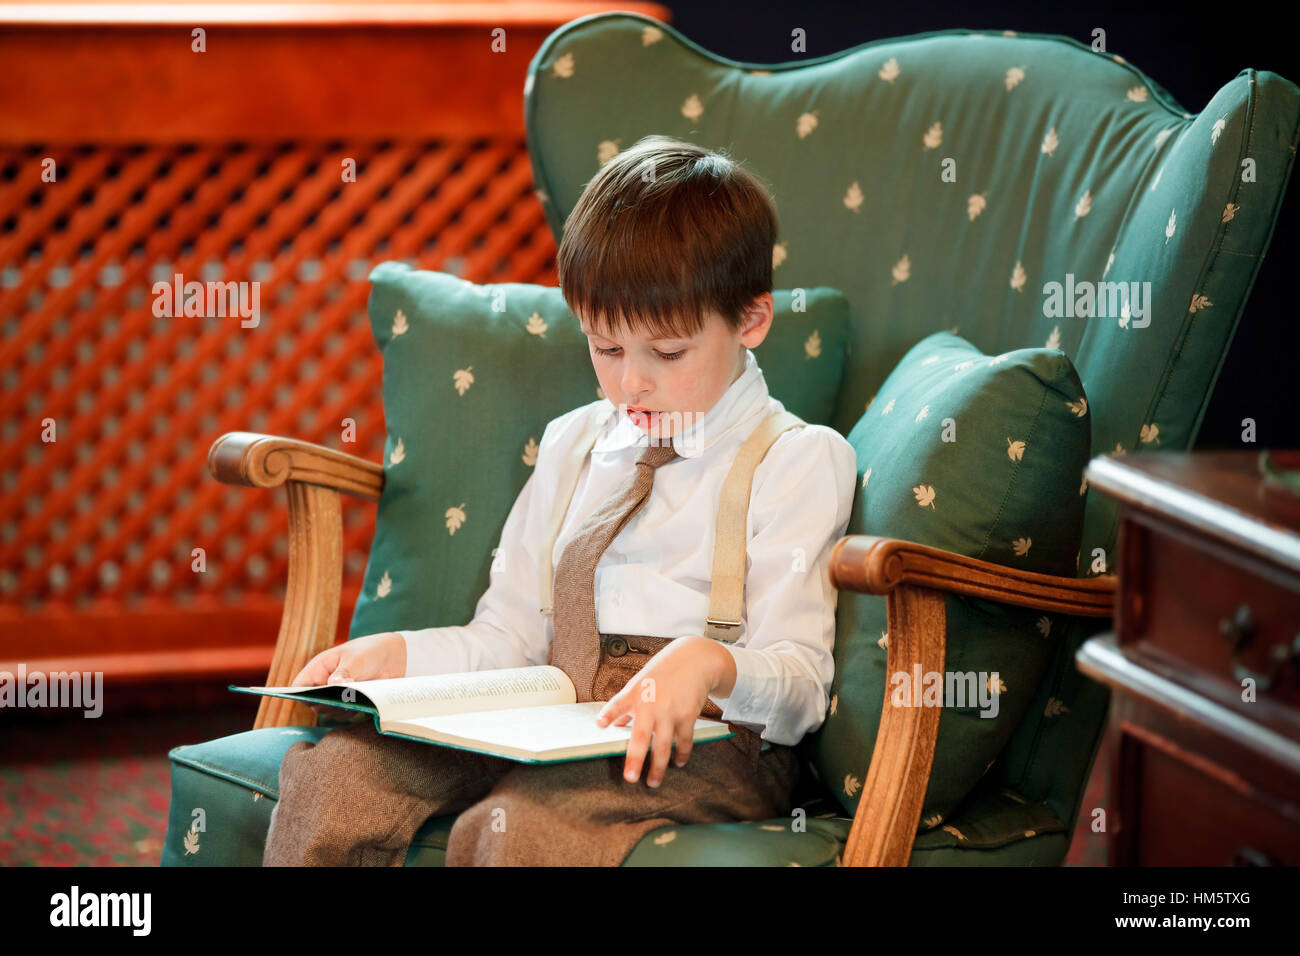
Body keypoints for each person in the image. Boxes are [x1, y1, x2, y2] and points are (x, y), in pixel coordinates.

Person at [262, 134, 858, 866]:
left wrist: (707, 663)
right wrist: (404, 656)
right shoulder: (574, 444)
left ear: (751, 320)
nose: (630, 384)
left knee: (516, 829)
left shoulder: (797, 459)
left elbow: (802, 685)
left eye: (666, 353)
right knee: (339, 775)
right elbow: (507, 639)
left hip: (703, 743)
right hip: (546, 711)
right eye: (605, 349)